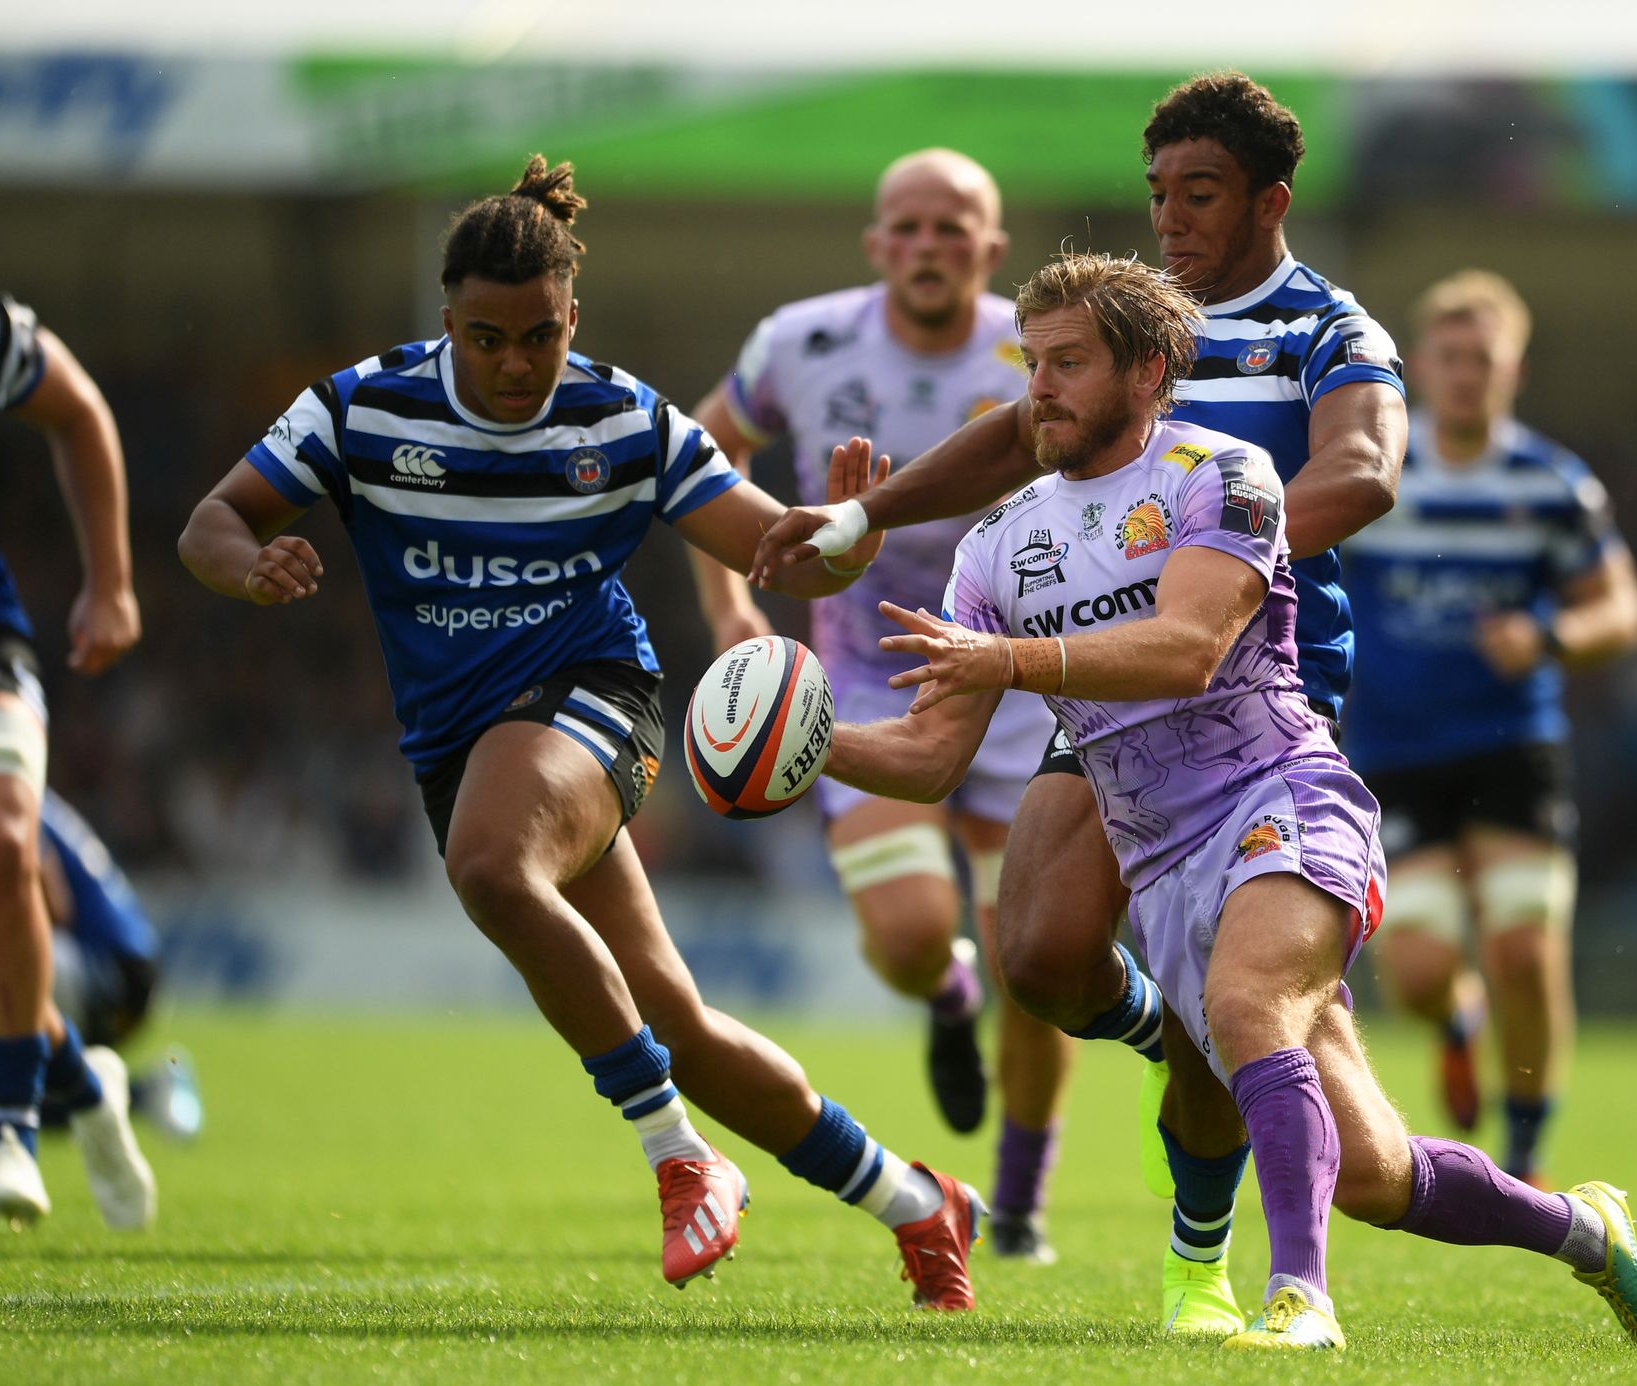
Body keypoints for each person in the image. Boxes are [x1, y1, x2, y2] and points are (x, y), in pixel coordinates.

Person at [823, 250, 1637, 1352]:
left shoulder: (1224, 474)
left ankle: (1298, 1302)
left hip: (1280, 791)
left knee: (1245, 1010)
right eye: (1030, 363)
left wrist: (1006, 661)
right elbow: (930, 755)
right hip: (1159, 854)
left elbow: (1188, 648)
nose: (1039, 388)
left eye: (1068, 364)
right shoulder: (997, 547)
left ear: (1147, 372)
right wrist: (808, 746)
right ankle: (1584, 1230)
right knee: (1376, 1176)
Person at [176, 157, 981, 1308]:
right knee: (682, 1027)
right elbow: (213, 520)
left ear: (571, 319)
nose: (514, 364)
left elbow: (774, 545)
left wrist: (845, 533)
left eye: (538, 337)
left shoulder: (625, 417)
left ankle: (677, 1157)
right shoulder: (361, 406)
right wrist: (247, 567)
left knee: (491, 868)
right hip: (458, 742)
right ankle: (915, 1201)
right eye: (486, 338)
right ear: (446, 321)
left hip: (598, 700)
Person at [750, 72, 1407, 1332]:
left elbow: (1364, 471)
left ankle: (1226, 1259)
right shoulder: (1117, 325)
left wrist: (1201, 575)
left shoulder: (1328, 330)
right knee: (1043, 959)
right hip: (1100, 682)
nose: (1170, 216)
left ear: (1271, 200)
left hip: (1247, 694)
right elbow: (1016, 441)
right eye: (1158, 191)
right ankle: (1193, 1039)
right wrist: (860, 514)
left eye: (1199, 193)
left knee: (1348, 1137)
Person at [683, 148, 1070, 1260]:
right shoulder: (800, 342)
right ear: (875, 245)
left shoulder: (1038, 354)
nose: (928, 245)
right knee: (907, 940)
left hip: (1016, 669)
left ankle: (1022, 1204)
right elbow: (703, 454)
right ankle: (943, 999)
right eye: (907, 226)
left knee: (1037, 969)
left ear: (991, 251)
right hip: (862, 672)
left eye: (954, 228)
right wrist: (728, 612)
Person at [1343, 270, 1637, 1183]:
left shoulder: (1551, 484)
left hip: (1513, 747)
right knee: (1422, 971)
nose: (1468, 374)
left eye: (1486, 358)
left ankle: (1524, 1146)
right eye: (1451, 357)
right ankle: (1456, 1022)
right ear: (1420, 367)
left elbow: (1622, 611)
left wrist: (1551, 636)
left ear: (1513, 368)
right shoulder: (1379, 473)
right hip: (1392, 753)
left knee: (1525, 946)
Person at [0, 289, 156, 1229]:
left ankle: (7, 1131)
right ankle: (84, 1083)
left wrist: (112, 582)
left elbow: (79, 409)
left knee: (6, 850)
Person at [39, 791, 204, 1142]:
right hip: (121, 969)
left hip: (112, 974)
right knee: (4, 1095)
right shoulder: (11, 774)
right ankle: (140, 1094)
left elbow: (55, 909)